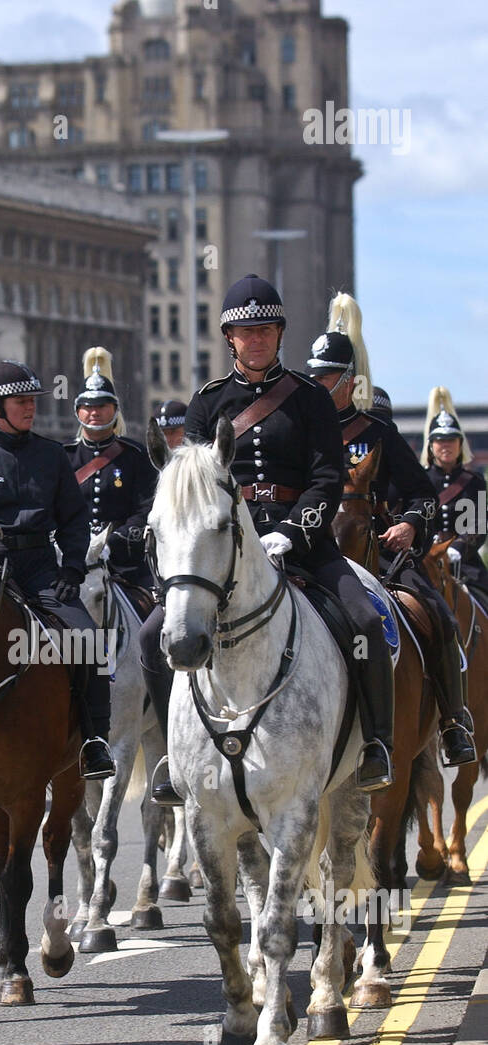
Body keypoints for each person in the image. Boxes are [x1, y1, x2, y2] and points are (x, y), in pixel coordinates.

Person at [142, 272, 396, 804]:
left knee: (367, 622)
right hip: (225, 543)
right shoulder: (208, 403)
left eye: (266, 330)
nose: (256, 339)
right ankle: (173, 754)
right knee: (151, 637)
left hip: (298, 538)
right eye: (246, 331)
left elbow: (328, 479)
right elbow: (189, 486)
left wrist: (290, 533)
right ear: (229, 339)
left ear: (279, 335)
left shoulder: (310, 399)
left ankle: (376, 744)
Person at [307, 301, 475, 766]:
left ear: (348, 381)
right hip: (307, 551)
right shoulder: (296, 429)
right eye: (313, 376)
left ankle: (453, 721)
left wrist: (410, 524)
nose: (317, 385)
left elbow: (423, 495)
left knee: (438, 614)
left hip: (380, 555)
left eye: (327, 378)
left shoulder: (376, 429)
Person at [0, 359, 115, 780]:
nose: (30, 408)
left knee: (88, 640)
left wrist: (72, 569)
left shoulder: (52, 456)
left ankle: (95, 740)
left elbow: (74, 519)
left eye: (31, 401)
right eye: (21, 401)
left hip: (42, 569)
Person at [64, 347, 155, 588]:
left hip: (125, 563)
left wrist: (115, 540)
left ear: (115, 410)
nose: (95, 411)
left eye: (103, 405)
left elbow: (146, 507)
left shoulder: (134, 456)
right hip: (74, 563)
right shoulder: (63, 459)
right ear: (77, 410)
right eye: (88, 405)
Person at [423, 387, 488, 603]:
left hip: (465, 563)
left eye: (451, 440)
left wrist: (457, 549)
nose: (446, 445)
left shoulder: (473, 482)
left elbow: (477, 526)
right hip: (426, 559)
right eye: (440, 440)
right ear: (431, 446)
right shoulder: (419, 481)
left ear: (460, 444)